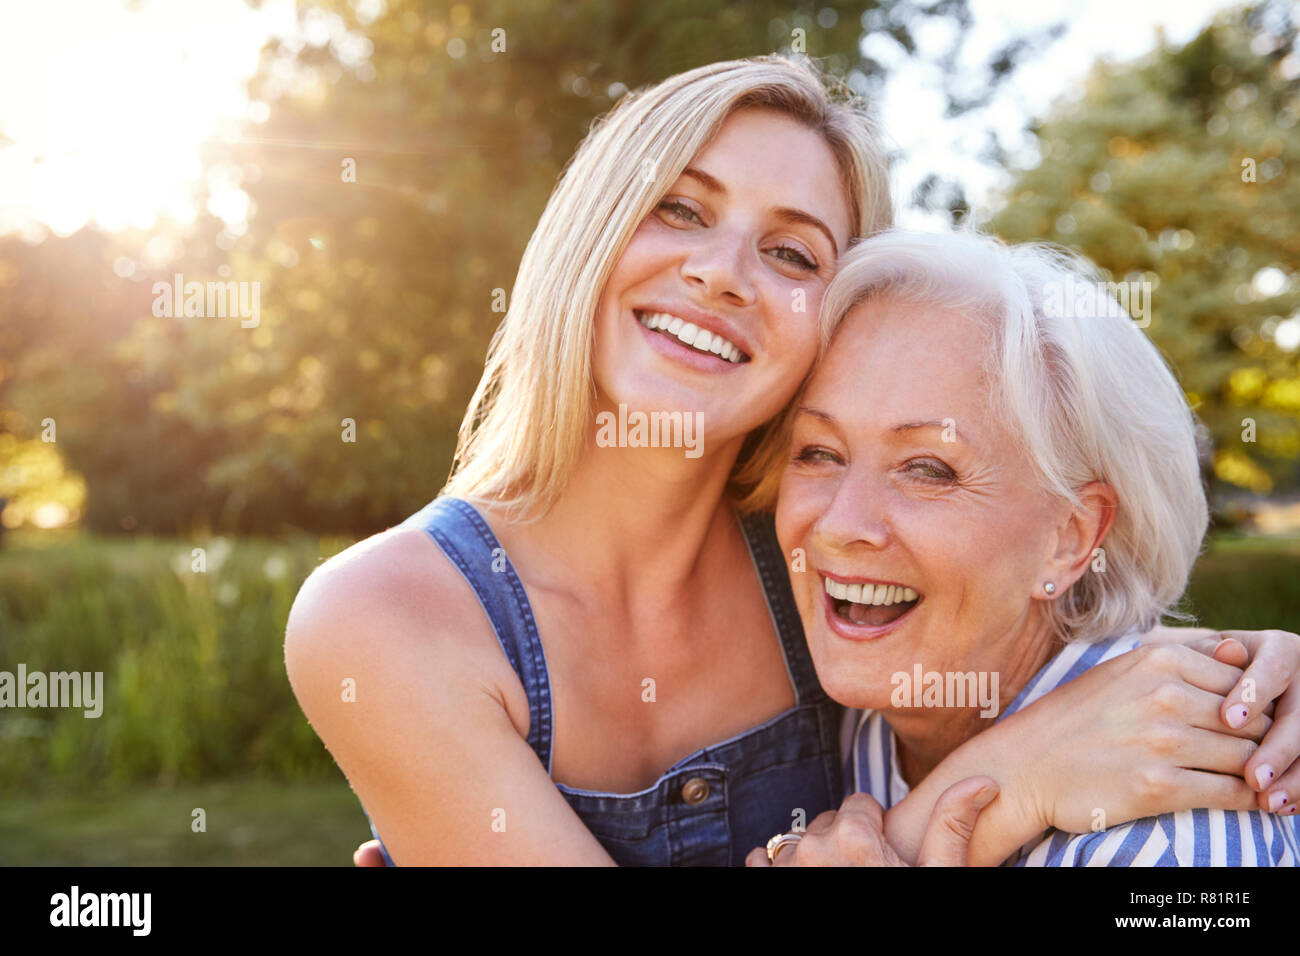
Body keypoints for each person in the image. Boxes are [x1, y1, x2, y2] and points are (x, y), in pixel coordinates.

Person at [285, 56, 1300, 867]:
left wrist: (1253, 679)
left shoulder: (823, 557)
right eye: (679, 208)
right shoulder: (387, 617)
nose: (719, 274)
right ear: (587, 235)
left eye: (793, 252)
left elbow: (1037, 611)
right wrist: (1011, 781)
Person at [758, 229, 1300, 866]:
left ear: (1069, 539)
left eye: (928, 469)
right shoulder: (872, 713)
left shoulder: (1172, 839)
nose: (837, 525)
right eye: (819, 453)